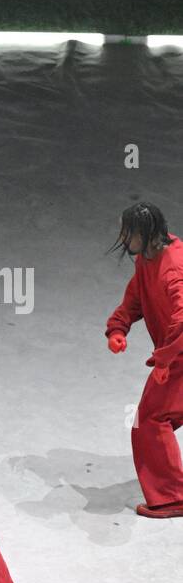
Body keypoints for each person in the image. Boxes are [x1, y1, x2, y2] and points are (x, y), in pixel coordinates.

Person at [105, 201, 183, 517]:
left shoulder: (174, 269)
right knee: (157, 418)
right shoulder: (148, 259)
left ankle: (172, 497)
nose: (124, 238)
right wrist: (118, 327)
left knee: (150, 421)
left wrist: (164, 362)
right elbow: (136, 296)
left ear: (147, 233)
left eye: (128, 232)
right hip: (176, 354)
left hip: (178, 356)